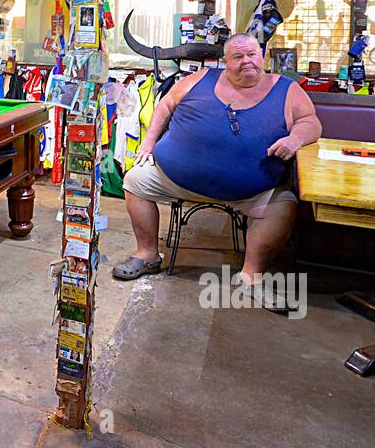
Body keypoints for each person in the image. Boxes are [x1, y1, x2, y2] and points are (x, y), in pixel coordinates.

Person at [112, 33, 322, 287]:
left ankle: (251, 274)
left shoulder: (286, 89)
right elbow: (166, 104)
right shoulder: (201, 78)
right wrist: (148, 142)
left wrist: (295, 139)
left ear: (262, 56)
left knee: (283, 205)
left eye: (252, 54)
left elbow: (310, 122)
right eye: (238, 56)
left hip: (251, 191)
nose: (247, 61)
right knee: (135, 180)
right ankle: (147, 254)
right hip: (172, 176)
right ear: (224, 61)